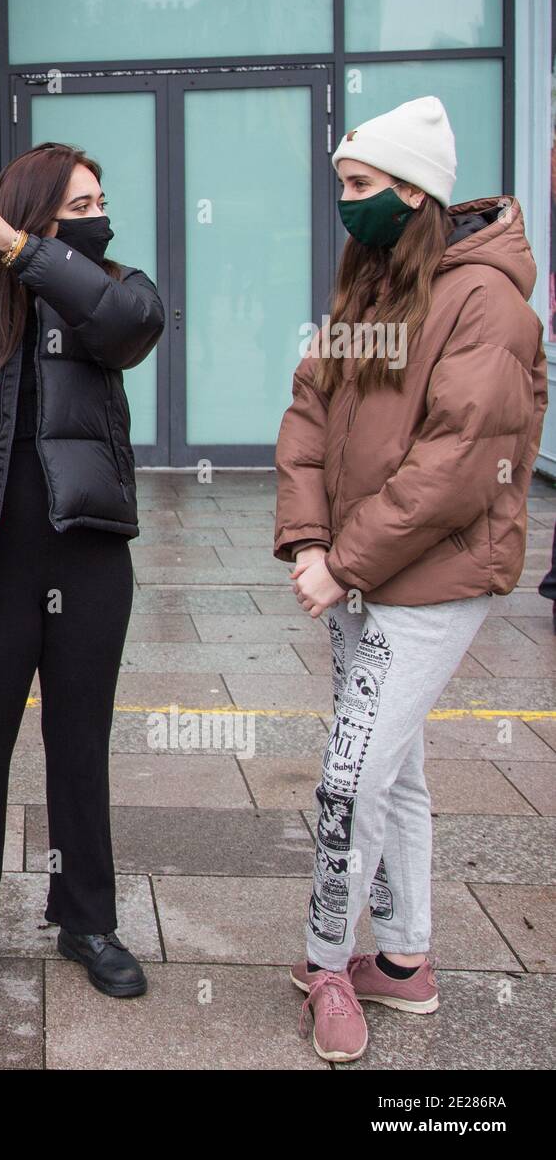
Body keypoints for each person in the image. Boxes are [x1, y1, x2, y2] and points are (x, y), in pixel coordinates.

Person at [274, 96, 547, 1062]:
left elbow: (458, 463)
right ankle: (403, 960)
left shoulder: (490, 307)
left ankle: (326, 965)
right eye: (341, 186)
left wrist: (343, 560)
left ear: (412, 190)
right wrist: (311, 543)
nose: (345, 205)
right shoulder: (373, 282)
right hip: (355, 576)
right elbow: (311, 406)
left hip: (430, 583)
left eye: (359, 187)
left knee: (350, 777)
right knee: (399, 773)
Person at [0, 142, 164, 1003]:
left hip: (89, 554)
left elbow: (127, 329)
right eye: (79, 206)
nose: (100, 218)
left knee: (80, 744)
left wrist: (32, 252)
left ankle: (88, 921)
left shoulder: (116, 291)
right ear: (36, 210)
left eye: (100, 202)